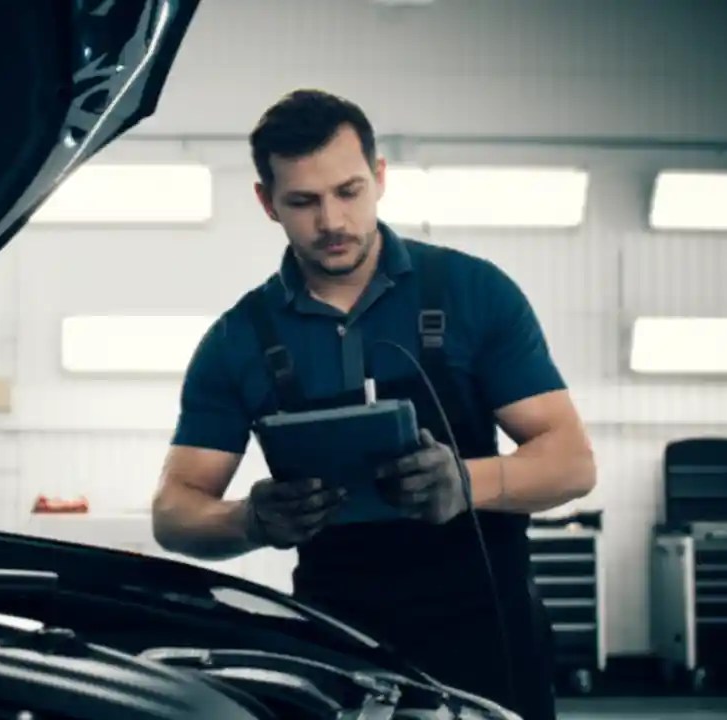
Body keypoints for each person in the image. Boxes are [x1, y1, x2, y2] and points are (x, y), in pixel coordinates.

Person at [150, 89, 596, 720]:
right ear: (266, 202)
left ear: (380, 178)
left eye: (349, 191)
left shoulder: (474, 292)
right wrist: (252, 521)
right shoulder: (238, 339)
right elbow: (174, 512)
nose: (331, 221)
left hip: (486, 631)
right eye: (303, 201)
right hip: (341, 643)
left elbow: (572, 463)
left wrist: (467, 481)